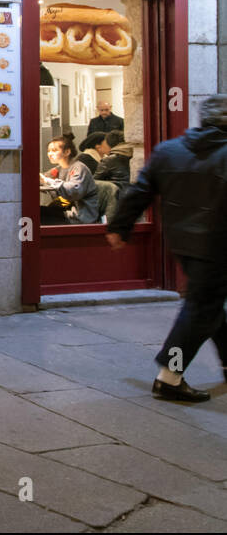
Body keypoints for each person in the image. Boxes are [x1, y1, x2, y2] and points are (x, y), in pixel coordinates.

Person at [106, 93, 227, 403]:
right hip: (218, 246)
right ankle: (169, 376)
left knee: (209, 306)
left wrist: (120, 227)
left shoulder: (168, 151)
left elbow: (138, 191)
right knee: (201, 309)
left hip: (183, 244)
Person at [39, 136, 99, 224]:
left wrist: (46, 180)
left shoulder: (79, 168)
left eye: (54, 150)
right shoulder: (59, 168)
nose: (50, 154)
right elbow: (44, 178)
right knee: (36, 211)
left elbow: (74, 191)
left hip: (80, 217)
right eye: (48, 151)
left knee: (38, 217)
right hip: (66, 211)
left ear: (67, 152)